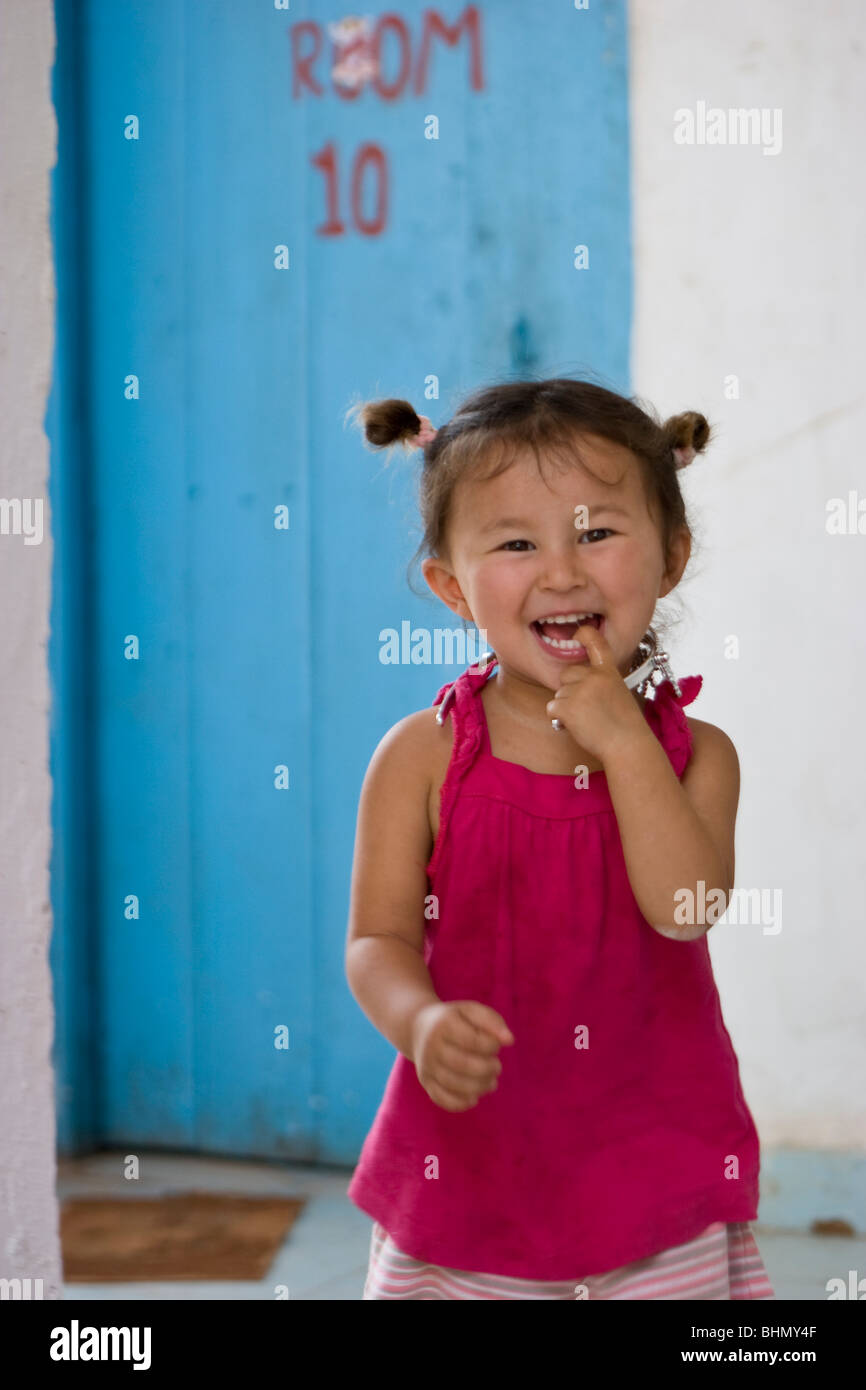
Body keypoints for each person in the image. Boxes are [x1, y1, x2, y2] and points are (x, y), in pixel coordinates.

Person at [343, 378, 774, 1300]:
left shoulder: (698, 756)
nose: (562, 572)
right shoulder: (421, 758)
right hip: (468, 1176)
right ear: (454, 587)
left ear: (671, 557)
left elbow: (684, 911)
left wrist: (622, 741)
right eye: (515, 543)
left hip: (654, 1175)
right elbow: (377, 939)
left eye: (598, 531)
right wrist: (418, 1021)